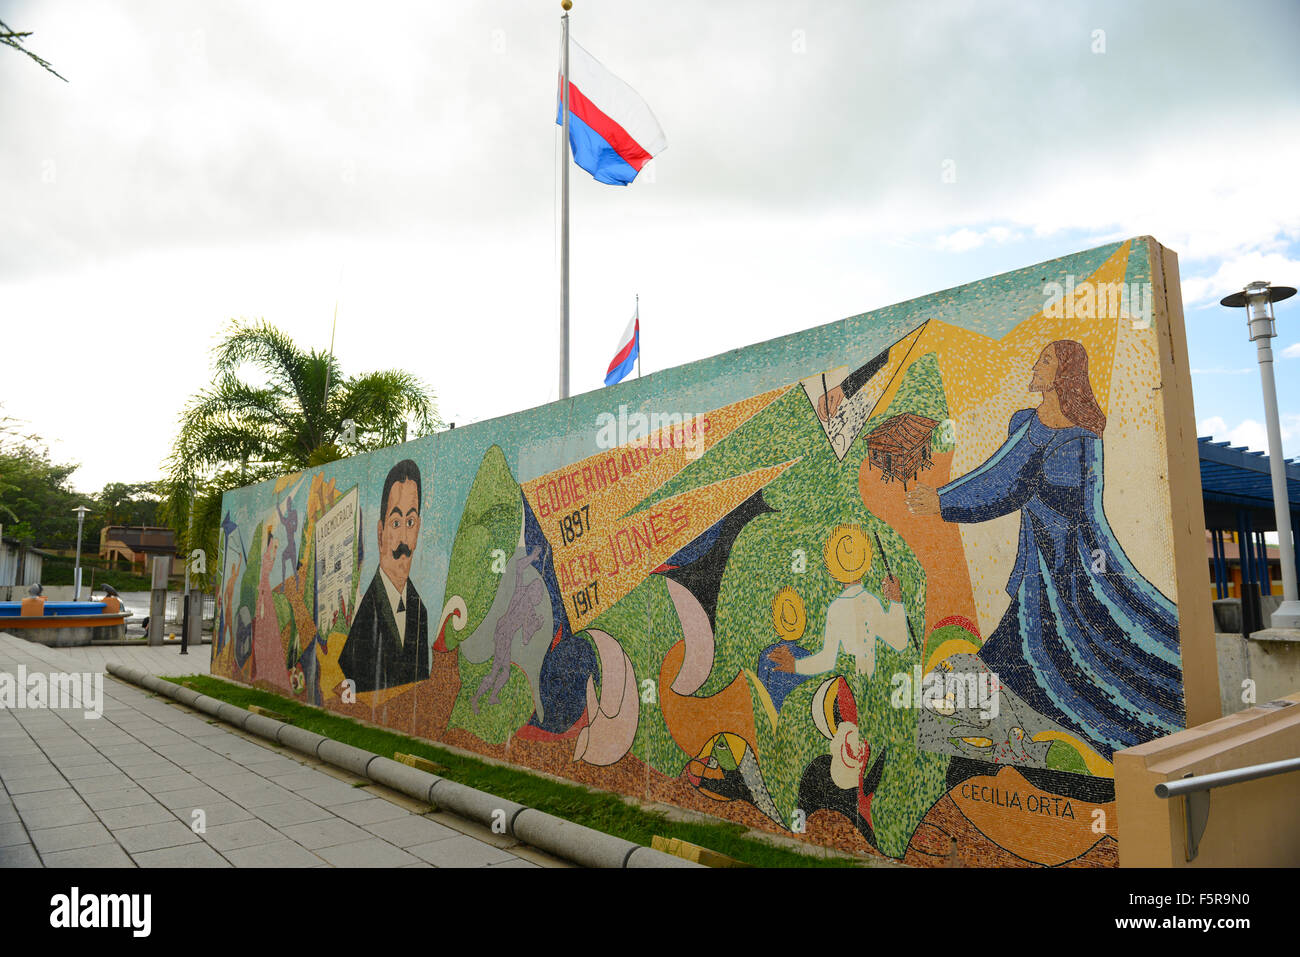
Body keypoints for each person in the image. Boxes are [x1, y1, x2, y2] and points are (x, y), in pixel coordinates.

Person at [905, 340, 1185, 760]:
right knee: (1018, 652)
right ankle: (974, 742)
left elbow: (1013, 484)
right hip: (1039, 567)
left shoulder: (1080, 439)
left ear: (1064, 374)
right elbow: (998, 471)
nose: (1035, 365)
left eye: (1046, 360)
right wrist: (948, 498)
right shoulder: (1025, 421)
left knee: (1091, 655)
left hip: (1073, 570)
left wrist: (944, 501)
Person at [770, 524, 908, 681]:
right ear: (865, 561)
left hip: (848, 686)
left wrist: (795, 666)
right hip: (869, 685)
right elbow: (899, 642)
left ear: (832, 567)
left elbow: (827, 660)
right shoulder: (870, 602)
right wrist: (896, 603)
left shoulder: (837, 608)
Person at [339, 459, 429, 693]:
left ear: (418, 528)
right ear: (380, 534)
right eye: (396, 522)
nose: (403, 540)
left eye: (410, 522)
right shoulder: (365, 616)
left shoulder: (419, 609)